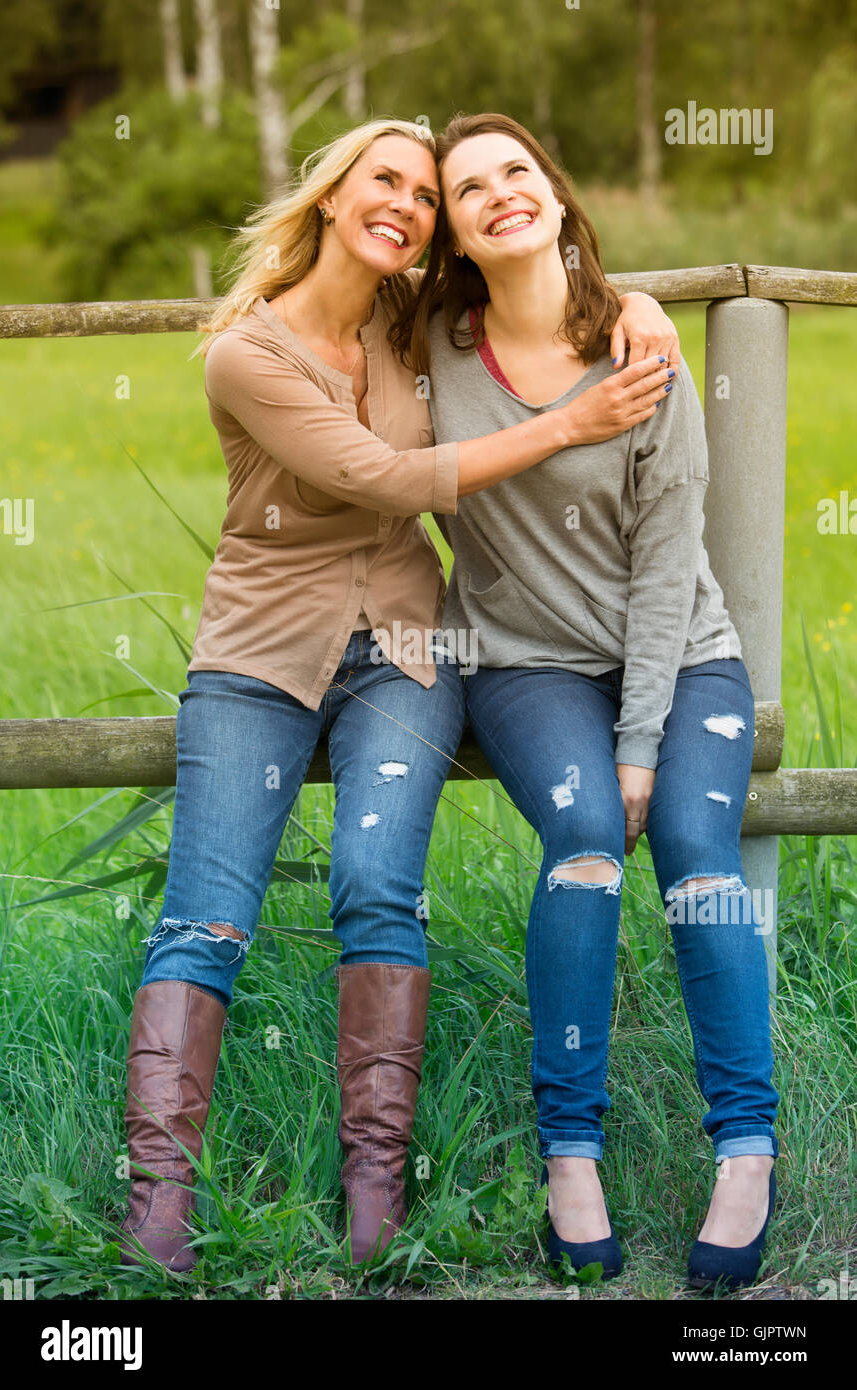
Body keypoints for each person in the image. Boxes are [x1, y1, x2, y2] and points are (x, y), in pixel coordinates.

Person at [116, 116, 680, 1273]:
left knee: (378, 889)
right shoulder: (245, 354)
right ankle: (158, 1210)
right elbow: (380, 475)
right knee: (203, 915)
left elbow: (540, 283)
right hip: (259, 651)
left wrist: (636, 304)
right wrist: (569, 425)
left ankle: (375, 1204)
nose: (407, 207)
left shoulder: (411, 316)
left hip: (408, 648)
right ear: (330, 195)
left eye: (425, 196)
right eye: (386, 181)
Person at [401, 111, 779, 1291]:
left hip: (682, 654)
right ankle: (569, 1153)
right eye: (469, 189)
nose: (499, 194)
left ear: (556, 195)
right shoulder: (431, 346)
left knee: (696, 849)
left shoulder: (637, 349)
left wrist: (639, 742)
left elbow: (667, 567)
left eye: (517, 171)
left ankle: (746, 1149)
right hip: (523, 662)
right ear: (455, 237)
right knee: (581, 838)